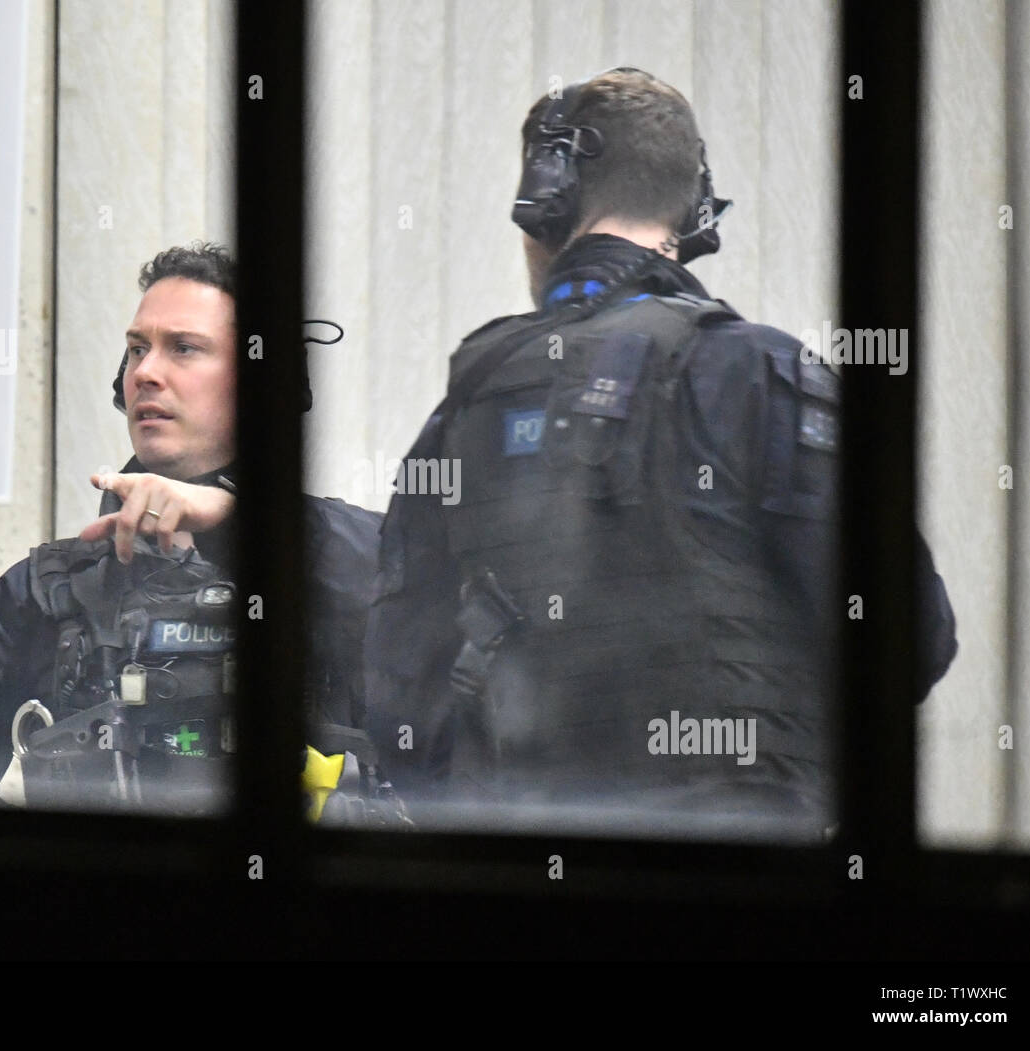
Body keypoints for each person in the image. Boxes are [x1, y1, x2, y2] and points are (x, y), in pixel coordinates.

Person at [364, 68, 957, 833]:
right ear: (694, 210)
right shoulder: (761, 376)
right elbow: (912, 638)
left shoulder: (467, 402)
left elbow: (400, 695)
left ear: (543, 205)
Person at [0, 243, 388, 815]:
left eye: (184, 349)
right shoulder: (48, 591)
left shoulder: (340, 559)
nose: (146, 373)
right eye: (137, 350)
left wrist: (235, 516)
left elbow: (430, 581)